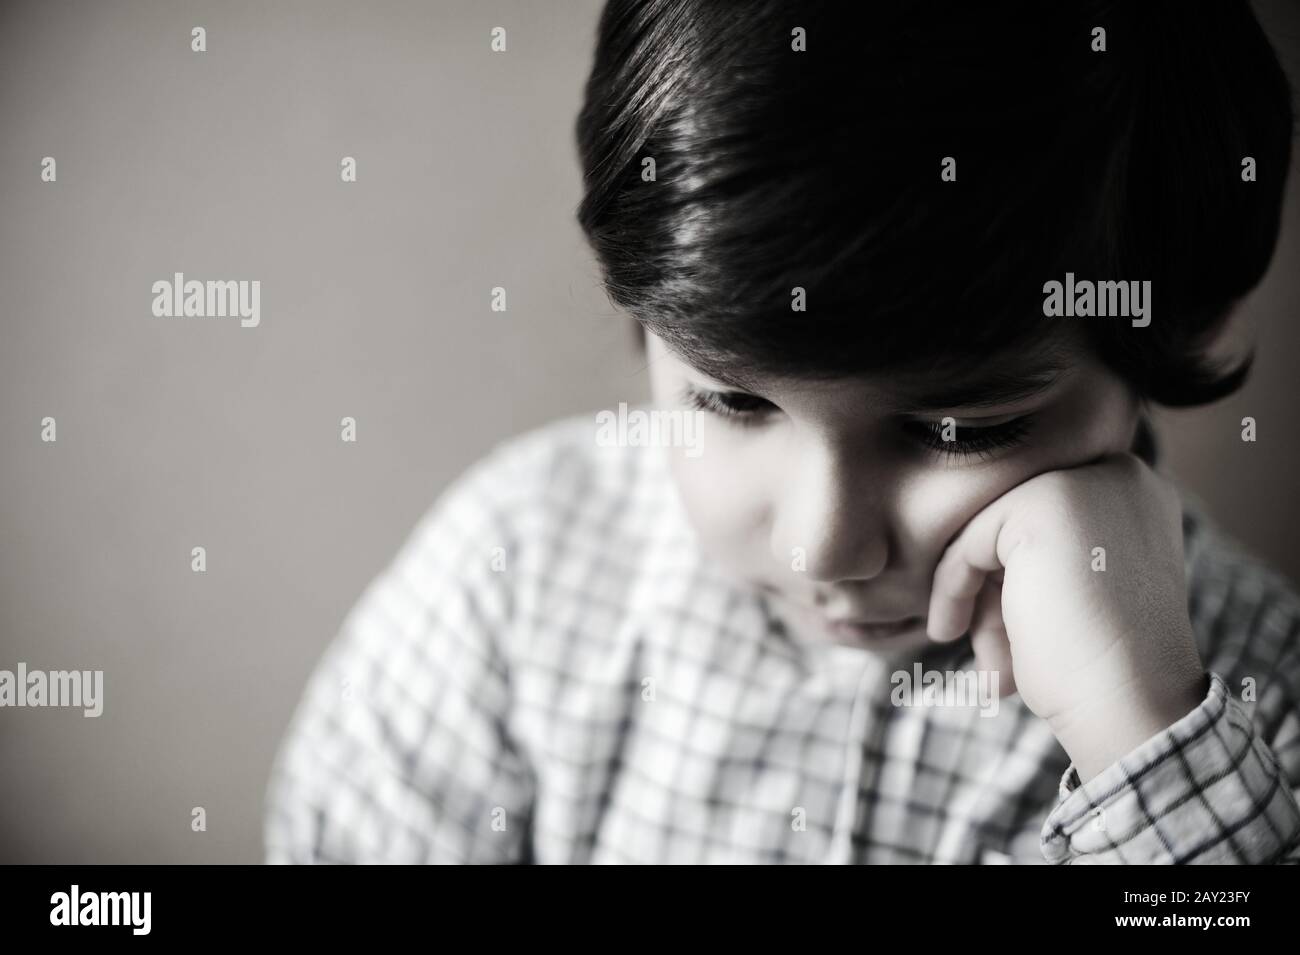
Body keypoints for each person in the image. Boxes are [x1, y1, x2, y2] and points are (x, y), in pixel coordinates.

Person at [264, 0, 1300, 863]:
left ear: (1184, 327)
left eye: (957, 426)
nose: (826, 547)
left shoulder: (1257, 697)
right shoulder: (513, 578)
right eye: (731, 402)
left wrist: (1143, 731)